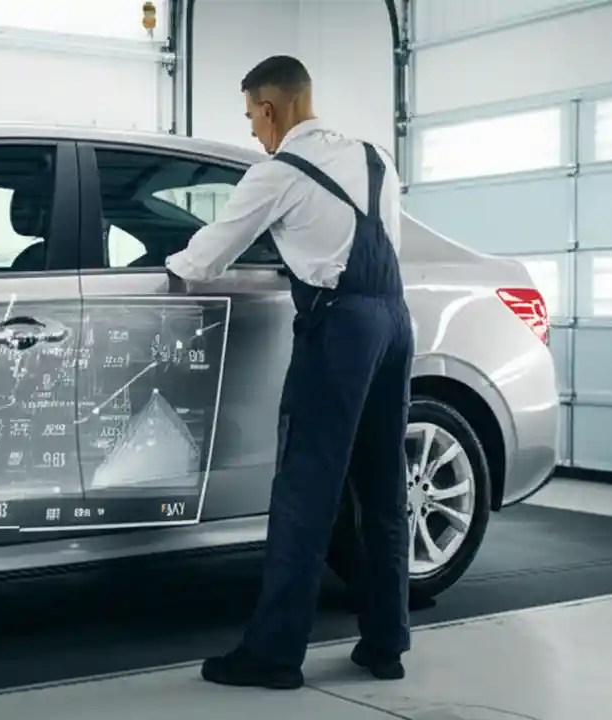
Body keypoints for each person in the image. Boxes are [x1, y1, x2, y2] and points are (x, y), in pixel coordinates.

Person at [165, 55, 413, 689]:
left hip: (339, 333)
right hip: (393, 323)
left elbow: (199, 263)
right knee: (384, 489)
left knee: (305, 494)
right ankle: (385, 644)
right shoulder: (376, 157)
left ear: (270, 110)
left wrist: (165, 267)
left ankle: (274, 654)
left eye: (251, 118)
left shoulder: (276, 174)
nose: (253, 132)